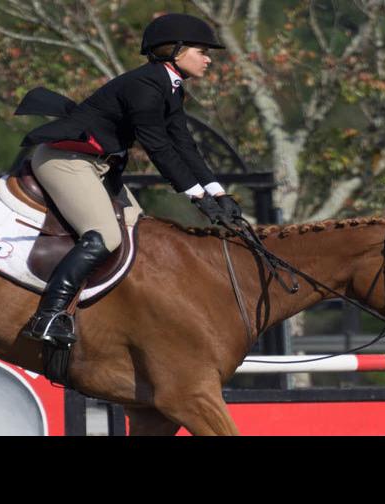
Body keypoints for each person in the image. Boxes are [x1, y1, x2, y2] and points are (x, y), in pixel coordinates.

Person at [14, 12, 242, 346]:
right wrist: (196, 196)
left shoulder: (171, 88)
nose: (209, 59)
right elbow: (159, 146)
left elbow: (183, 144)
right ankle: (49, 316)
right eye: (202, 51)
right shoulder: (145, 86)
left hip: (100, 167)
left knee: (140, 230)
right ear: (175, 51)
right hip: (66, 161)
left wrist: (218, 192)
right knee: (105, 234)